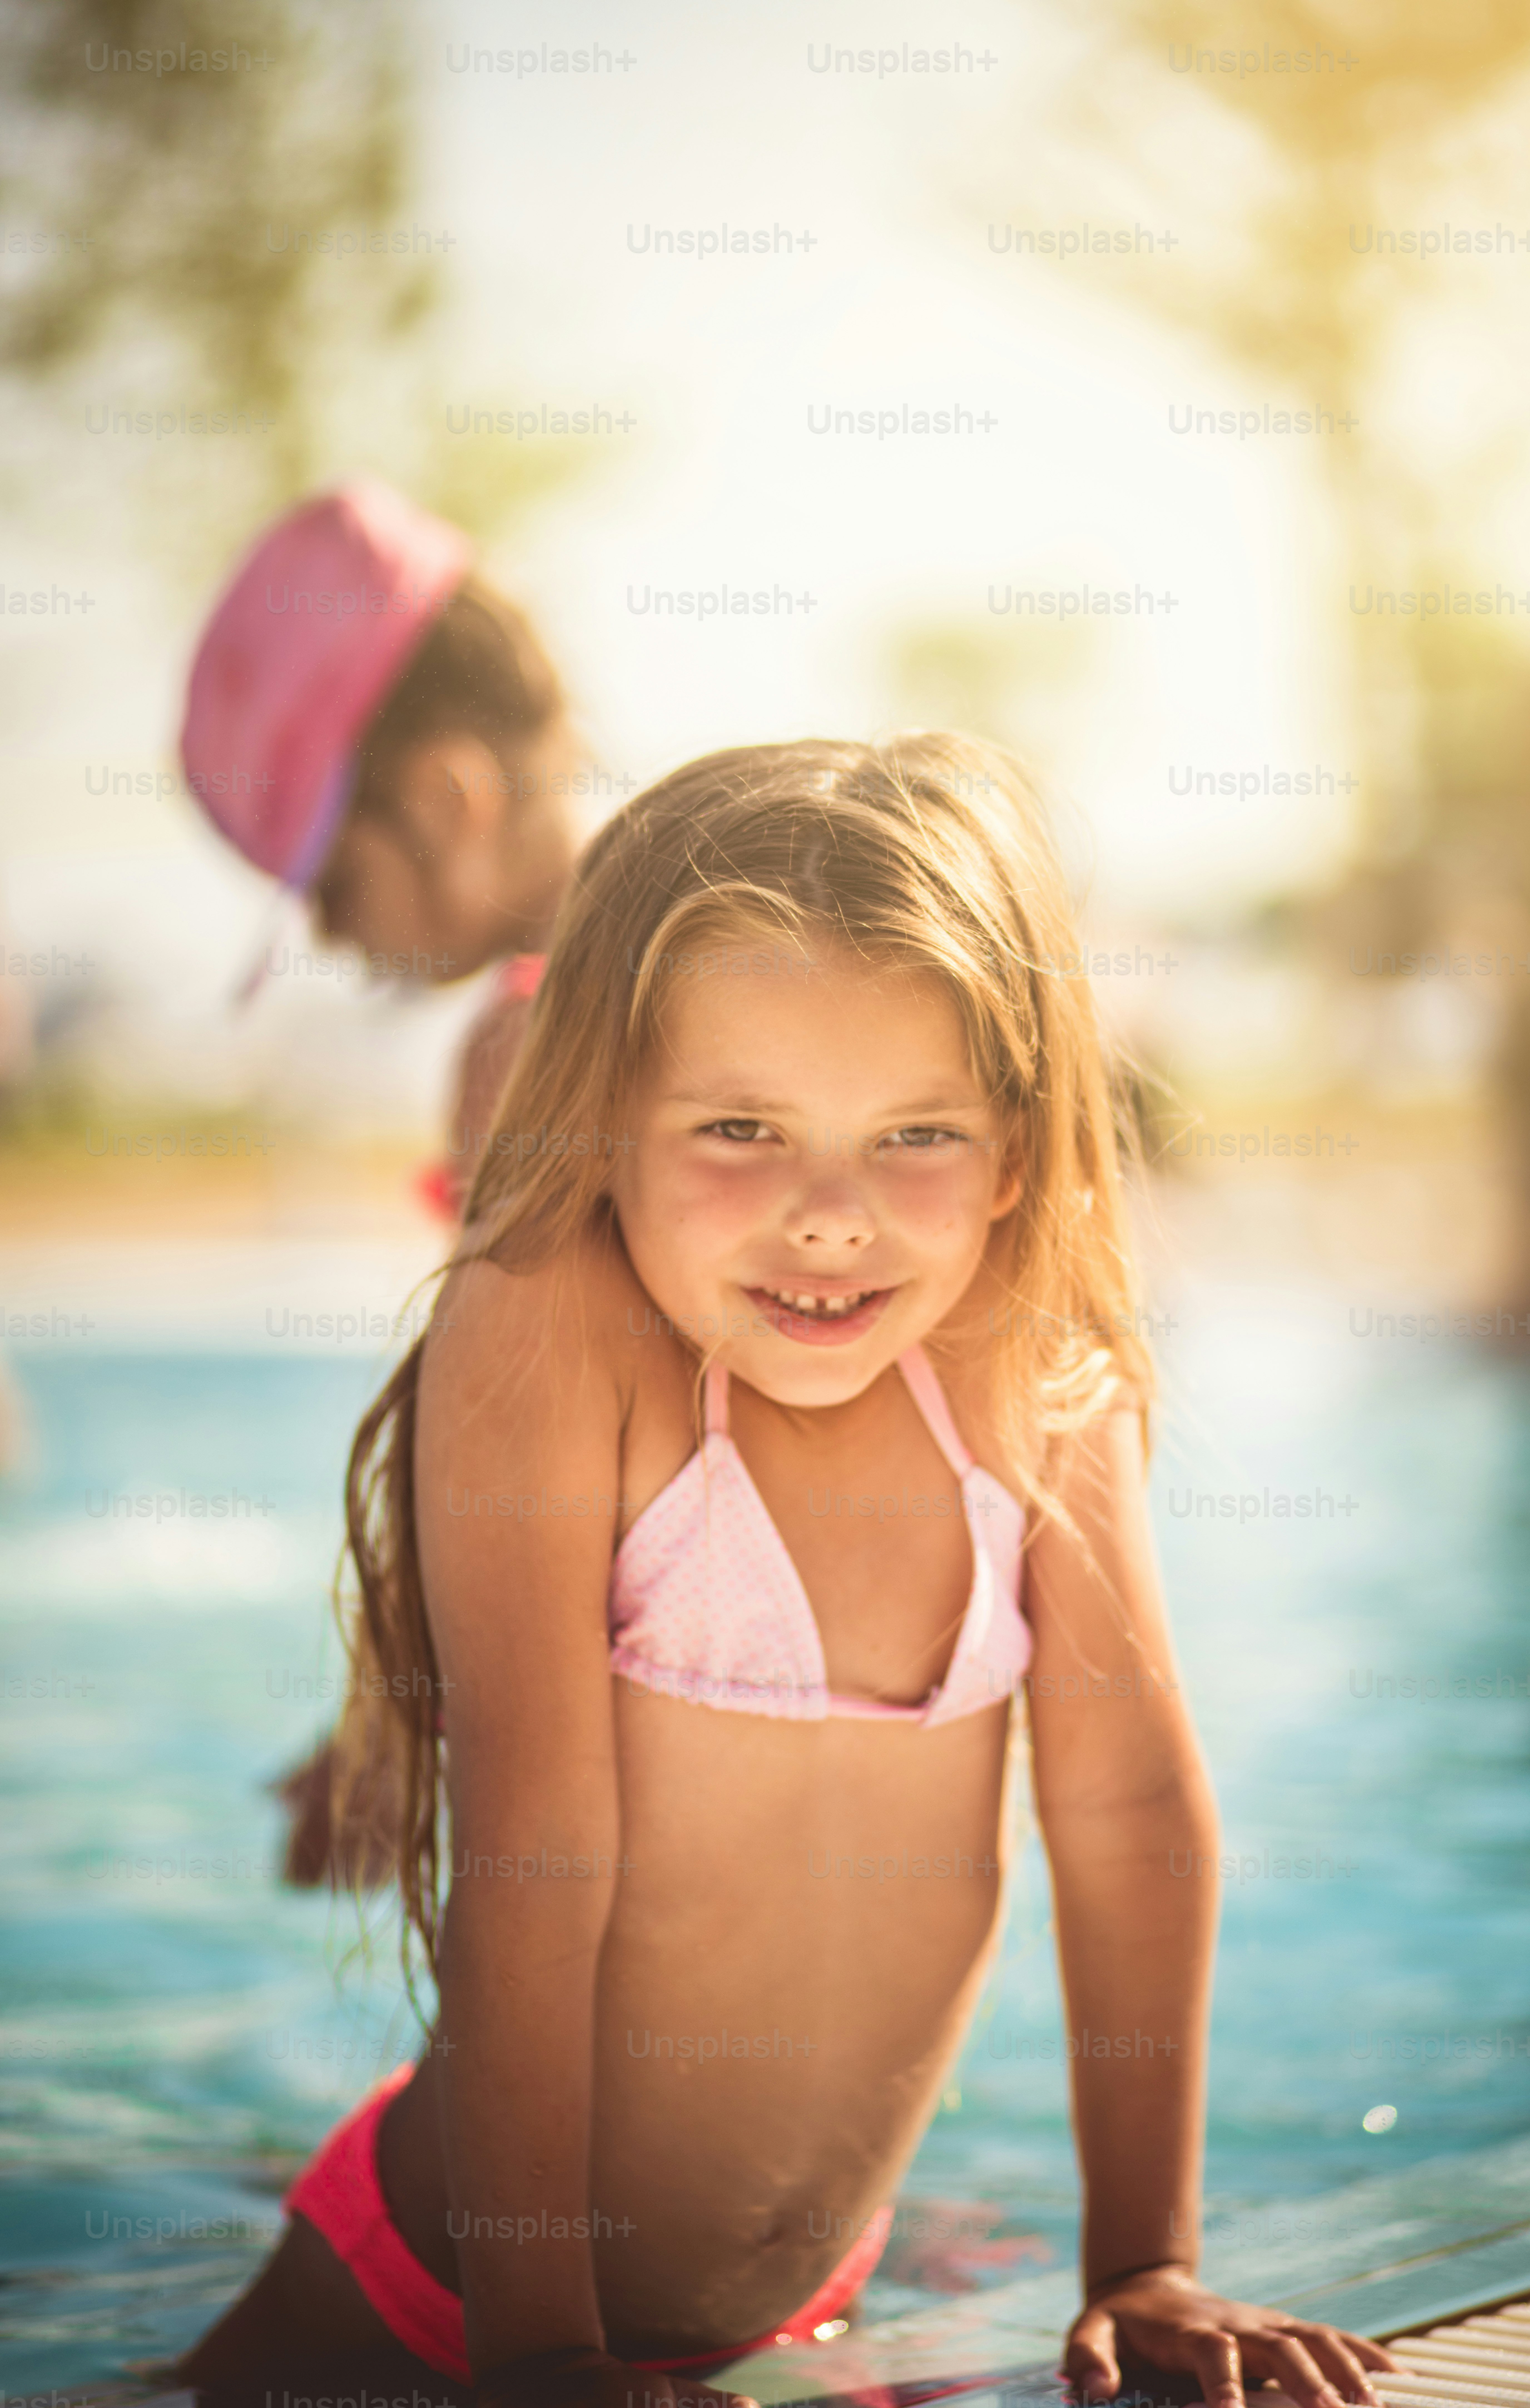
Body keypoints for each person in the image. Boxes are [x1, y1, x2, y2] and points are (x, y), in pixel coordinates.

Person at [174, 737, 1399, 2408]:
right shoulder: (554, 1331)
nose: (831, 1218)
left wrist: (1144, 2264)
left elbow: (1125, 1812)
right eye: (742, 1128)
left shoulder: (1031, 1363)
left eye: (914, 1136)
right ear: (608, 1117)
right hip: (446, 2291)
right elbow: (532, 1849)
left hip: (806, 2298)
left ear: (1021, 1144)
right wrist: (539, 2352)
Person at [181, 479, 593, 1884]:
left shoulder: (529, 1039)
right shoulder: (763, 932)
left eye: (330, 883)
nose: (333, 937)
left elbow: (488, 1429)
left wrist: (392, 1720)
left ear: (445, 799)